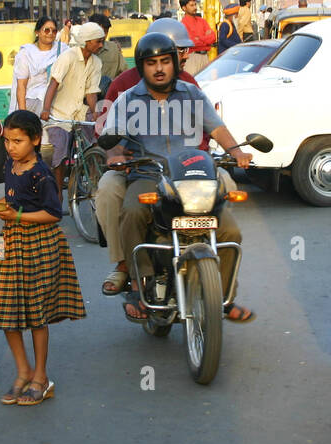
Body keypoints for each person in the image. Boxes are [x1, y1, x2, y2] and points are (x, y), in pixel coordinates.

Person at [103, 32, 255, 322]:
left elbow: (217, 128)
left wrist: (237, 152)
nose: (159, 68)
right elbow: (115, 140)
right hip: (150, 174)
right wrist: (115, 157)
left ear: (174, 63)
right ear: (141, 67)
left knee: (230, 232)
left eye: (164, 61)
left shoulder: (192, 93)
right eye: (151, 63)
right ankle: (138, 286)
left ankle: (223, 297)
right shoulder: (127, 100)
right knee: (133, 212)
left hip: (193, 175)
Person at [0, 109, 83, 406]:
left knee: (36, 314)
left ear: (35, 140)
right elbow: (9, 200)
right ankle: (22, 372)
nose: (11, 146)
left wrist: (17, 214)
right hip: (9, 242)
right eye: (7, 141)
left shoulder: (41, 174)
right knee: (5, 310)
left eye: (18, 141)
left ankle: (41, 377)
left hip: (40, 244)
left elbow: (53, 214)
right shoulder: (10, 166)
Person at [40, 21, 104, 191]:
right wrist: (46, 110)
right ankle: (58, 192)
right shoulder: (68, 57)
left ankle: (94, 180)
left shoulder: (96, 62)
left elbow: (91, 92)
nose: (101, 45)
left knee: (95, 141)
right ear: (87, 41)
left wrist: (95, 112)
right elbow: (53, 83)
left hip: (80, 113)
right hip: (59, 113)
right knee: (59, 154)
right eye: (98, 41)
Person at [11, 16, 66, 118]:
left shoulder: (63, 50)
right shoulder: (26, 53)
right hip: (34, 101)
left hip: (58, 100)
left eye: (54, 31)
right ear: (37, 32)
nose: (50, 33)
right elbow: (21, 85)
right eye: (46, 30)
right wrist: (24, 114)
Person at [179, 0, 215, 76]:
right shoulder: (183, 24)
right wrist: (205, 38)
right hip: (192, 57)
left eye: (195, 5)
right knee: (193, 82)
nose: (195, 7)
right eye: (191, 5)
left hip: (205, 56)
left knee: (206, 82)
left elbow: (213, 37)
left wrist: (199, 38)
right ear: (184, 8)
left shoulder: (202, 21)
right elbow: (191, 43)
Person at [90, 13, 124, 89]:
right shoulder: (81, 51)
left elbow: (123, 72)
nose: (104, 36)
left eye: (106, 32)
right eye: (101, 32)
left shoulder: (114, 49)